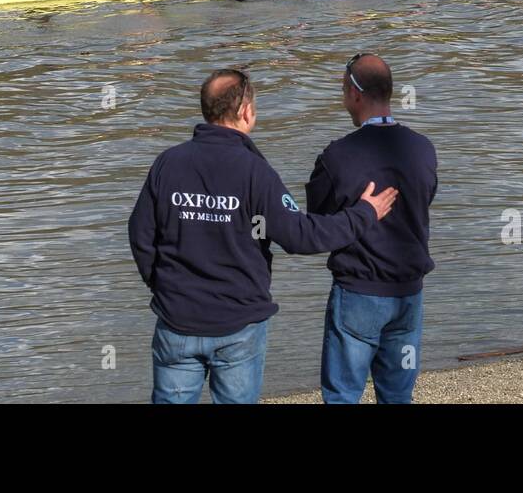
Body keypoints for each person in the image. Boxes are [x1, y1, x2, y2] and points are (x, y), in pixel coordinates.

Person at [129, 69, 399, 404]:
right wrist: (364, 214)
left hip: (177, 321)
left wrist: (161, 283)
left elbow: (140, 234)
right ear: (245, 111)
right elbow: (300, 235)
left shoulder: (168, 164)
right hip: (237, 325)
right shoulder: (256, 172)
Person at [306, 54, 437, 404]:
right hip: (408, 292)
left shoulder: (336, 157)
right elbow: (424, 202)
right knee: (397, 394)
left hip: (358, 293)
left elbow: (316, 224)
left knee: (342, 395)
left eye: (342, 88)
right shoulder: (423, 150)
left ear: (355, 94)